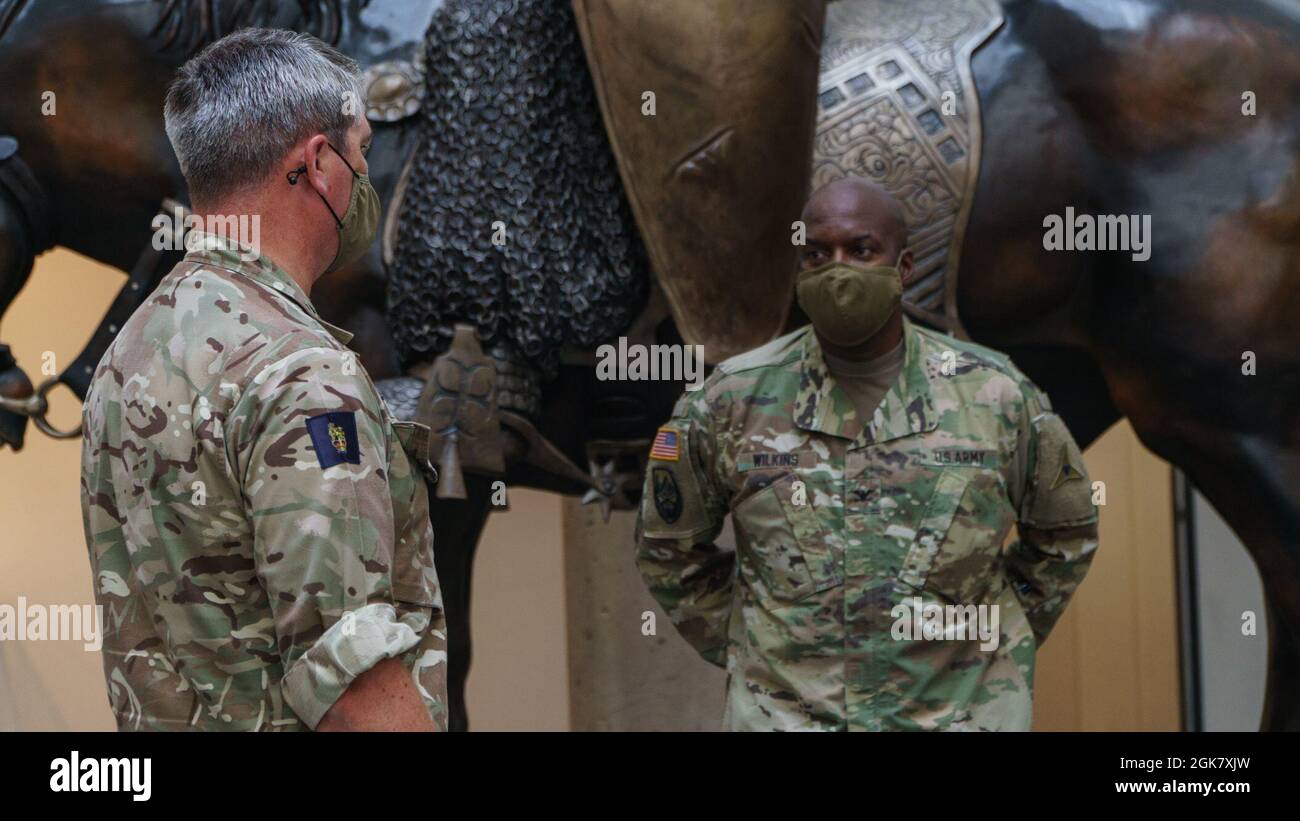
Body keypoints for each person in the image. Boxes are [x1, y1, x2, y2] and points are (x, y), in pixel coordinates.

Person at [79, 28, 446, 731]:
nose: (366, 176)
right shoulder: (303, 373)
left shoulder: (127, 356)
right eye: (362, 151)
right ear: (317, 163)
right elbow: (354, 686)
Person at [635, 177, 1099, 731]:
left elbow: (1065, 533)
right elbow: (669, 550)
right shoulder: (731, 401)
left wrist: (998, 634)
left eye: (860, 250)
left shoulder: (993, 394)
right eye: (816, 254)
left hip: (958, 715)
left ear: (902, 268)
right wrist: (755, 642)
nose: (838, 270)